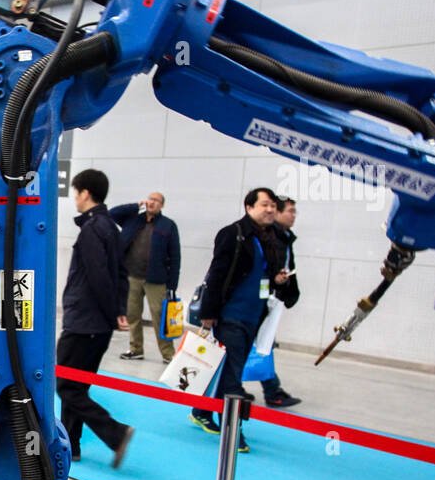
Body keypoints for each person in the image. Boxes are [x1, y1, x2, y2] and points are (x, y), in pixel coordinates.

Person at [190, 188, 297, 453]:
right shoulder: (233, 234)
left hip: (255, 318)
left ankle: (201, 410)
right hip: (230, 316)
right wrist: (208, 314)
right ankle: (233, 431)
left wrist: (279, 281)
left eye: (273, 206)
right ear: (249, 207)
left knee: (226, 370)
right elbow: (216, 275)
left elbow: (267, 277)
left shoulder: (273, 239)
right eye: (264, 205)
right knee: (233, 376)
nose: (270, 210)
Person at [55, 169, 136, 466]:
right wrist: (118, 311)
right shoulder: (110, 228)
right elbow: (121, 275)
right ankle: (70, 446)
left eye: (76, 193)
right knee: (77, 385)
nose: (75, 199)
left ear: (85, 193)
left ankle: (115, 433)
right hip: (98, 323)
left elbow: (99, 277)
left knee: (65, 385)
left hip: (85, 321)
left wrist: (113, 311)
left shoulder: (93, 230)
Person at [109, 191, 181, 363]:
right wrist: (137, 205)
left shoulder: (168, 225)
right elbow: (112, 213)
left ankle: (168, 354)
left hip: (156, 280)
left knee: (159, 317)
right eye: (150, 199)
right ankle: (136, 349)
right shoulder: (133, 219)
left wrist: (172, 285)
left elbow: (175, 256)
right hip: (131, 276)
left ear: (162, 206)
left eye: (156, 201)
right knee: (133, 315)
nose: (152, 203)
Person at [250, 195, 301, 407]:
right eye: (289, 211)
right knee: (260, 343)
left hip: (272, 298)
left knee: (262, 343)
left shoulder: (285, 237)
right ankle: (271, 390)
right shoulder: (269, 238)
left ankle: (268, 388)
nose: (293, 215)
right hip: (259, 299)